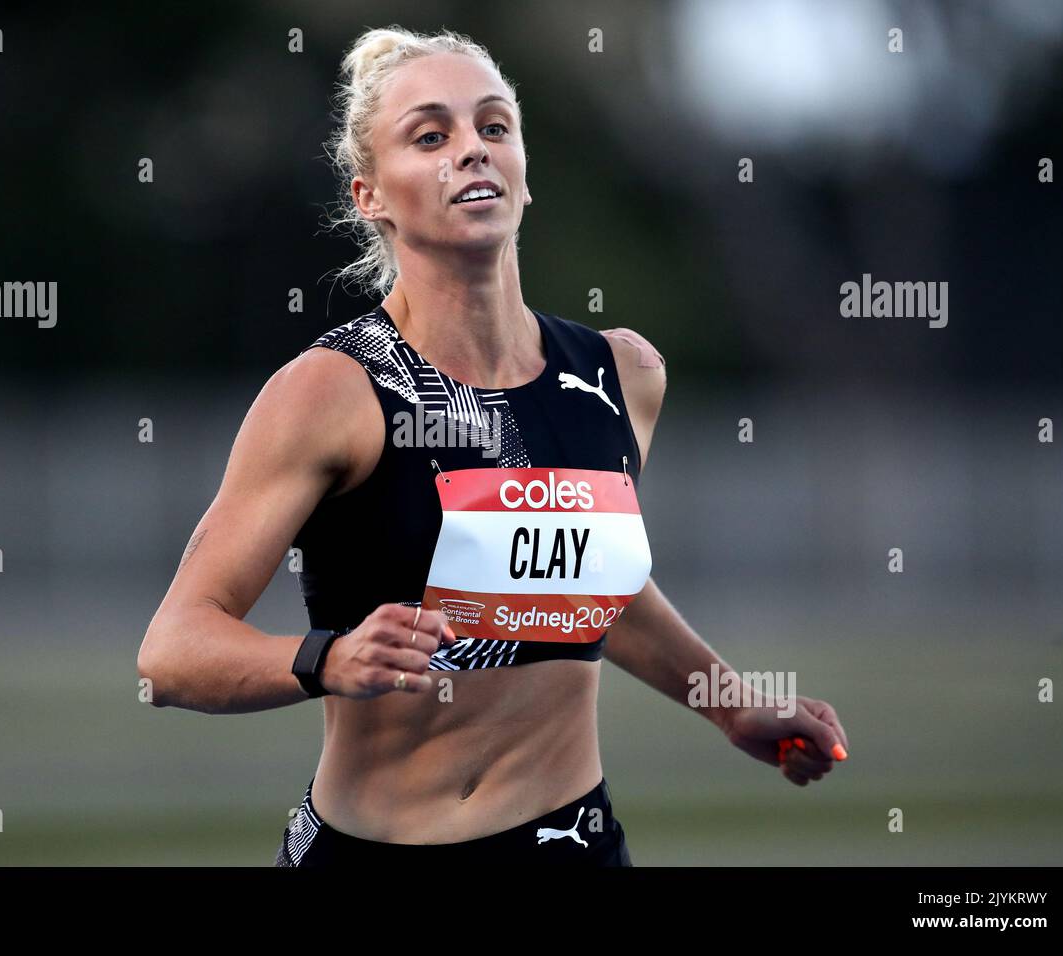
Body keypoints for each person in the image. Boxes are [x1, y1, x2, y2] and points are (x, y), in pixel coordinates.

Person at [137, 25, 850, 867]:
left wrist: (731, 703)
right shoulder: (330, 392)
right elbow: (172, 653)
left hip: (570, 844)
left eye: (494, 127)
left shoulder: (623, 374)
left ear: (521, 170)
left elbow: (585, 586)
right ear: (371, 196)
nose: (471, 150)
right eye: (431, 135)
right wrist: (326, 657)